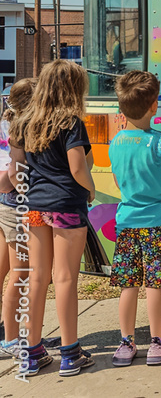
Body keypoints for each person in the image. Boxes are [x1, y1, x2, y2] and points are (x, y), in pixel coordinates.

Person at [9, 61, 97, 376]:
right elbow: (77, 167)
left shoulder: (23, 123)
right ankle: (70, 354)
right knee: (65, 279)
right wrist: (91, 188)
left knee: (37, 278)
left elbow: (16, 170)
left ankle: (32, 353)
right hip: (66, 207)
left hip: (33, 208)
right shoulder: (71, 122)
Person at [108, 71, 161, 368]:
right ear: (154, 106)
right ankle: (156, 342)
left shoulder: (116, 143)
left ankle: (126, 342)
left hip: (126, 221)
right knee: (155, 284)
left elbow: (118, 180)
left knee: (129, 285)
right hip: (158, 222)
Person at [0, 79, 35, 357]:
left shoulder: (8, 122)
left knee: (4, 273)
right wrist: (27, 196)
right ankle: (12, 338)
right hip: (15, 208)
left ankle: (9, 333)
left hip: (4, 205)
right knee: (20, 274)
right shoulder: (22, 128)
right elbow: (14, 173)